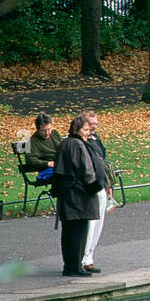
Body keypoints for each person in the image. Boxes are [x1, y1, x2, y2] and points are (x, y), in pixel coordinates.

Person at [53, 115, 104, 277]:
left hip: (74, 193)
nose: (88, 132)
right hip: (76, 194)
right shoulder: (75, 144)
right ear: (76, 129)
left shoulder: (72, 143)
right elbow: (85, 168)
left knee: (76, 229)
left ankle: (75, 265)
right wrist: (94, 185)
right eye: (85, 129)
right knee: (75, 230)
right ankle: (73, 266)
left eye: (89, 129)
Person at [81, 109, 114, 275]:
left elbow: (103, 159)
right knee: (90, 224)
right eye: (90, 124)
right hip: (91, 188)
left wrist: (108, 185)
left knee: (99, 223)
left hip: (101, 186)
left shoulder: (96, 139)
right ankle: (84, 258)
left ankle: (90, 257)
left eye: (95, 124)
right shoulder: (81, 142)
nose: (93, 128)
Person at [22, 113, 64, 181]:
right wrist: (48, 164)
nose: (47, 133)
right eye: (43, 131)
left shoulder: (54, 133)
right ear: (38, 129)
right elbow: (30, 160)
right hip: (49, 169)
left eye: (49, 129)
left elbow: (64, 148)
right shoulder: (33, 142)